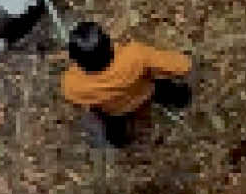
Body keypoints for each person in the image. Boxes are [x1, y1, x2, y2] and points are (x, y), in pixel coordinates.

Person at [60, 21, 193, 148]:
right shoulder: (135, 55)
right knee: (169, 90)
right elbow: (183, 66)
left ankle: (119, 142)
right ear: (109, 45)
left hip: (114, 111)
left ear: (76, 60)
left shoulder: (72, 84)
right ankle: (182, 99)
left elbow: (75, 100)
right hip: (145, 91)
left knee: (113, 129)